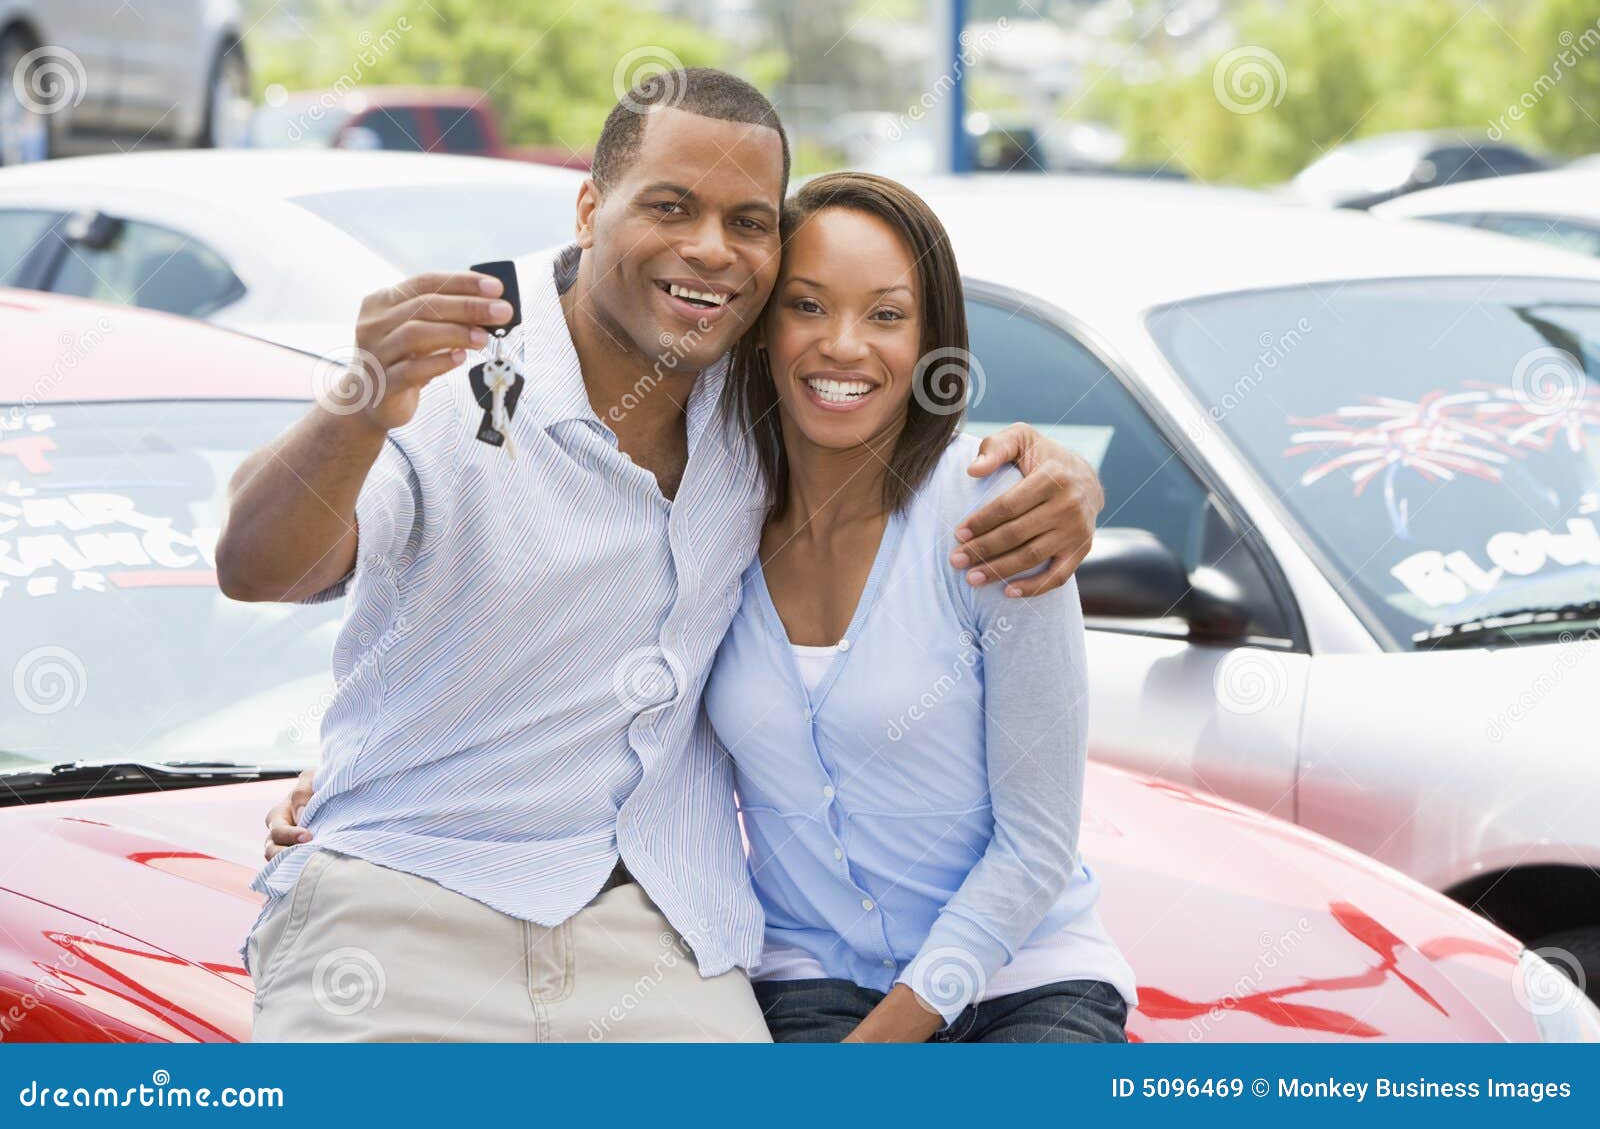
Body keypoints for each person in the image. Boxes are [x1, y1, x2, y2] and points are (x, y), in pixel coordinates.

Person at [230, 69, 1105, 1042]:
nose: (709, 249)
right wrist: (358, 401)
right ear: (589, 207)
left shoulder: (756, 397)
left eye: (746, 220)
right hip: (406, 904)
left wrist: (1069, 477)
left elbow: (877, 391)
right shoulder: (456, 367)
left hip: (657, 936)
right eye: (671, 206)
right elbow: (257, 565)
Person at [706, 172, 1136, 1042]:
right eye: (807, 306)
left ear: (930, 341)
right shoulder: (706, 518)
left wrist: (887, 1041)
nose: (843, 345)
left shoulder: (993, 512)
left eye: (887, 315)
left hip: (1024, 977)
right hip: (810, 976)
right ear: (760, 326)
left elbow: (1037, 845)